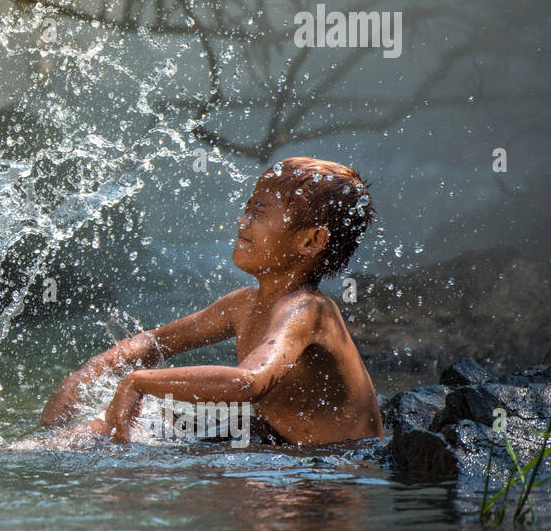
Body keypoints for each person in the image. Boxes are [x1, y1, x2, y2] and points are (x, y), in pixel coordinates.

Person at [41, 157, 382, 445]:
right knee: (140, 420)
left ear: (311, 239)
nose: (242, 221)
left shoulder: (308, 311)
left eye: (259, 211)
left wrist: (137, 382)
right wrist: (82, 377)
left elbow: (246, 382)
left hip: (332, 472)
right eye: (247, 208)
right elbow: (154, 343)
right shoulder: (244, 304)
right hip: (276, 440)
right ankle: (35, 452)